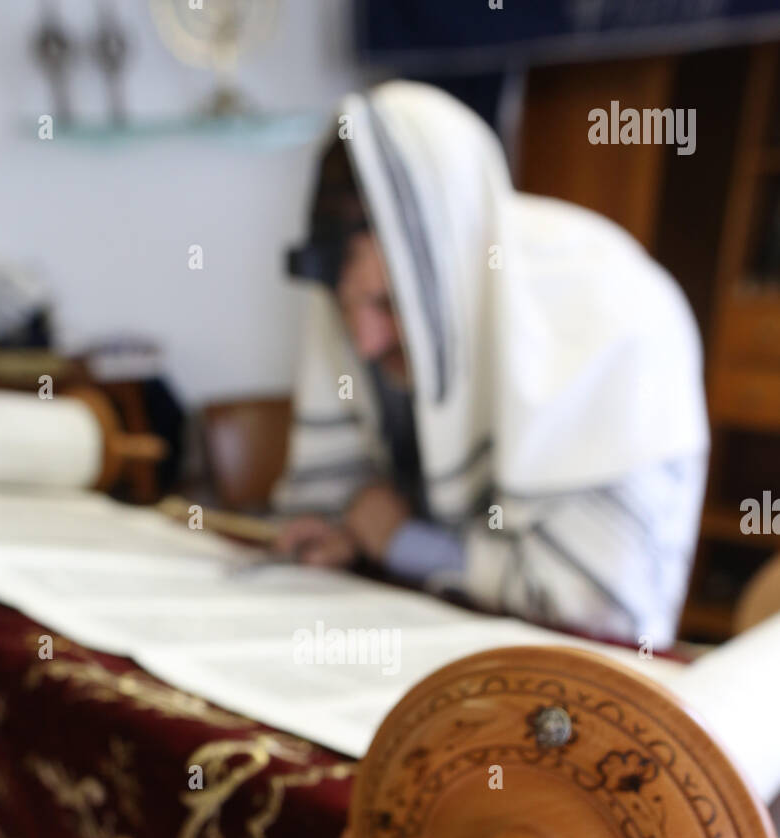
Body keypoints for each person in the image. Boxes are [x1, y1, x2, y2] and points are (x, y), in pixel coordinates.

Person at [272, 81, 709, 648]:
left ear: (450, 267)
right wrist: (343, 533)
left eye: (389, 304)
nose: (366, 341)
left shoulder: (609, 313)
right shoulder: (386, 325)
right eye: (344, 304)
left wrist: (402, 541)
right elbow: (361, 503)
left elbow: (603, 608)